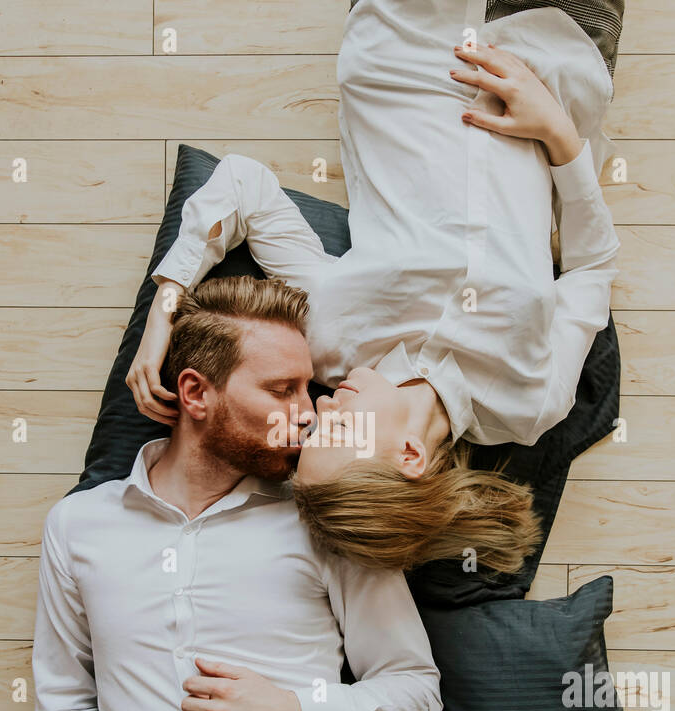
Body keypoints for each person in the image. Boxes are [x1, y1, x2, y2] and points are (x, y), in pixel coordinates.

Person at [129, 0, 620, 574]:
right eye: (338, 429)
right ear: (410, 455)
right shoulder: (531, 401)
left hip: (408, 43)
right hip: (556, 58)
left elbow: (242, 186)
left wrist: (163, 309)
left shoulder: (328, 342)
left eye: (313, 425)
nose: (322, 405)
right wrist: (557, 132)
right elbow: (592, 268)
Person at [33, 274, 442, 711]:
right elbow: (66, 698)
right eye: (283, 390)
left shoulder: (324, 515)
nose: (309, 415)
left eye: (309, 387)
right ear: (196, 394)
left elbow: (415, 690)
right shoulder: (78, 527)